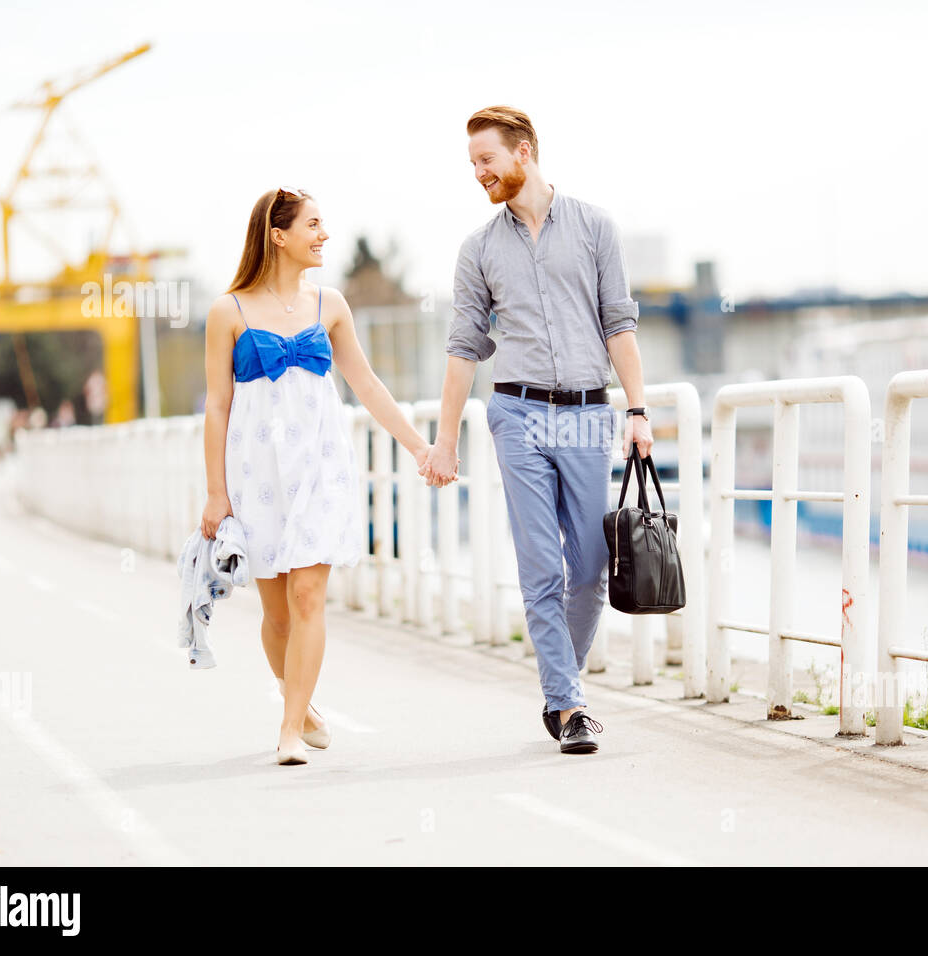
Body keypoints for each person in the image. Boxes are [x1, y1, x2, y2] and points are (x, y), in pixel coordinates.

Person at [421, 107, 653, 754]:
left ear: (524, 152)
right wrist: (445, 440)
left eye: (486, 160)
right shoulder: (478, 250)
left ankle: (559, 686)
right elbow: (463, 348)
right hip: (516, 414)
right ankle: (572, 705)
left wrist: (638, 410)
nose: (479, 174)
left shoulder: (595, 228)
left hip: (586, 414)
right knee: (541, 567)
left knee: (588, 567)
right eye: (472, 165)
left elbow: (619, 325)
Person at [200, 187, 436, 765]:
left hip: (321, 467)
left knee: (309, 596)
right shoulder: (227, 311)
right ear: (277, 235)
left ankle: (286, 731)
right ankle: (300, 703)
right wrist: (215, 494)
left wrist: (418, 447)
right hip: (257, 473)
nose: (324, 234)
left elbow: (366, 383)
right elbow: (216, 407)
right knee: (276, 614)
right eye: (313, 224)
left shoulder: (331, 304)